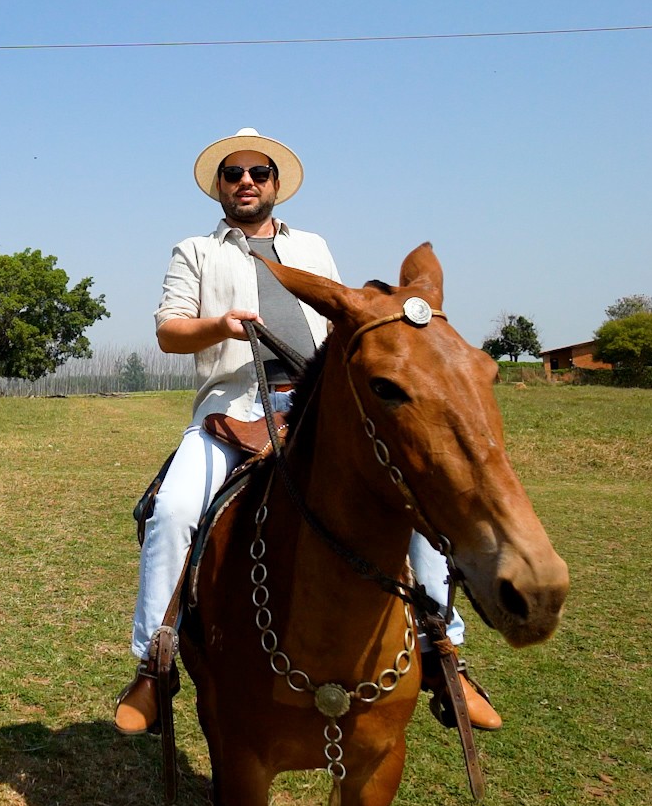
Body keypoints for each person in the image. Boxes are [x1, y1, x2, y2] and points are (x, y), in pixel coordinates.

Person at [111, 127, 500, 736]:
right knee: (174, 508)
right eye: (233, 174)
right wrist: (224, 326)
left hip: (318, 407)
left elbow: (342, 322)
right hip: (232, 406)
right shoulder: (195, 251)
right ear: (218, 186)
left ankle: (444, 656)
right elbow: (168, 331)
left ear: (274, 185)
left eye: (257, 173)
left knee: (415, 497)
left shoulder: (314, 247)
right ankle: (154, 664)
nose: (245, 182)